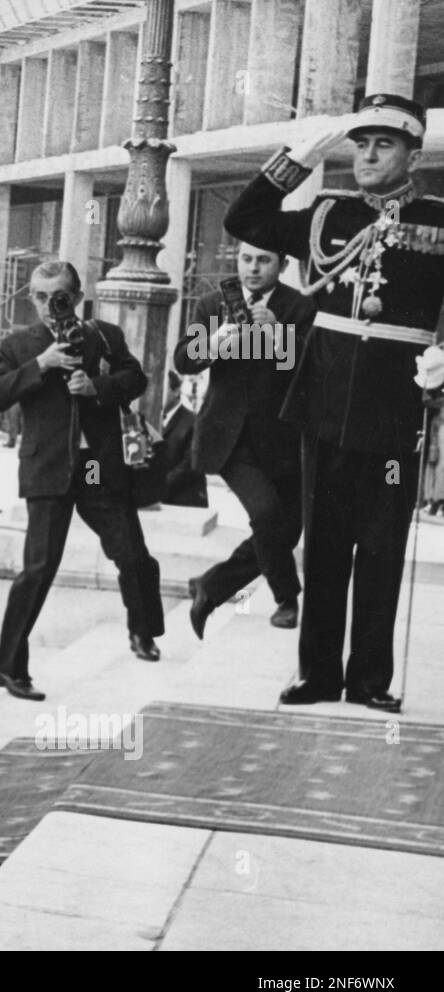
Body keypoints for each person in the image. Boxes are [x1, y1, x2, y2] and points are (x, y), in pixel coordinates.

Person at [224, 94, 444, 713]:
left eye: (385, 145)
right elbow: (244, 220)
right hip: (325, 402)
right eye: (362, 143)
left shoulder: (439, 219)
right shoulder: (326, 213)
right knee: (323, 545)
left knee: (381, 546)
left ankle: (370, 680)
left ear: (412, 153)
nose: (369, 155)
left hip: (398, 410)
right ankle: (318, 675)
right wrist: (296, 161)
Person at [0, 260, 165, 700]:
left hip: (95, 464)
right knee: (39, 568)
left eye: (59, 296)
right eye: (41, 297)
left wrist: (99, 386)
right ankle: (9, 668)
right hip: (48, 466)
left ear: (78, 297)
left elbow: (137, 378)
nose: (50, 306)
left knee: (134, 554)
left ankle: (143, 631)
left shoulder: (102, 335)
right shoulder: (19, 344)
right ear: (31, 298)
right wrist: (41, 365)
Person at [173, 242, 316, 634]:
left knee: (286, 530)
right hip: (229, 437)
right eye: (246, 259)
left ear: (282, 264)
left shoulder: (298, 308)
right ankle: (287, 598)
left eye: (264, 260)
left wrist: (276, 333)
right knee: (267, 514)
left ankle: (211, 586)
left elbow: (310, 368)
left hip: (284, 437)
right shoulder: (212, 304)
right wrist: (217, 339)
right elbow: (184, 360)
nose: (253, 269)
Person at [160, 371, 209, 509]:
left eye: (162, 389)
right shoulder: (146, 420)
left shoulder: (192, 422)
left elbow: (189, 465)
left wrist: (157, 489)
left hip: (184, 502)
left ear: (176, 391)